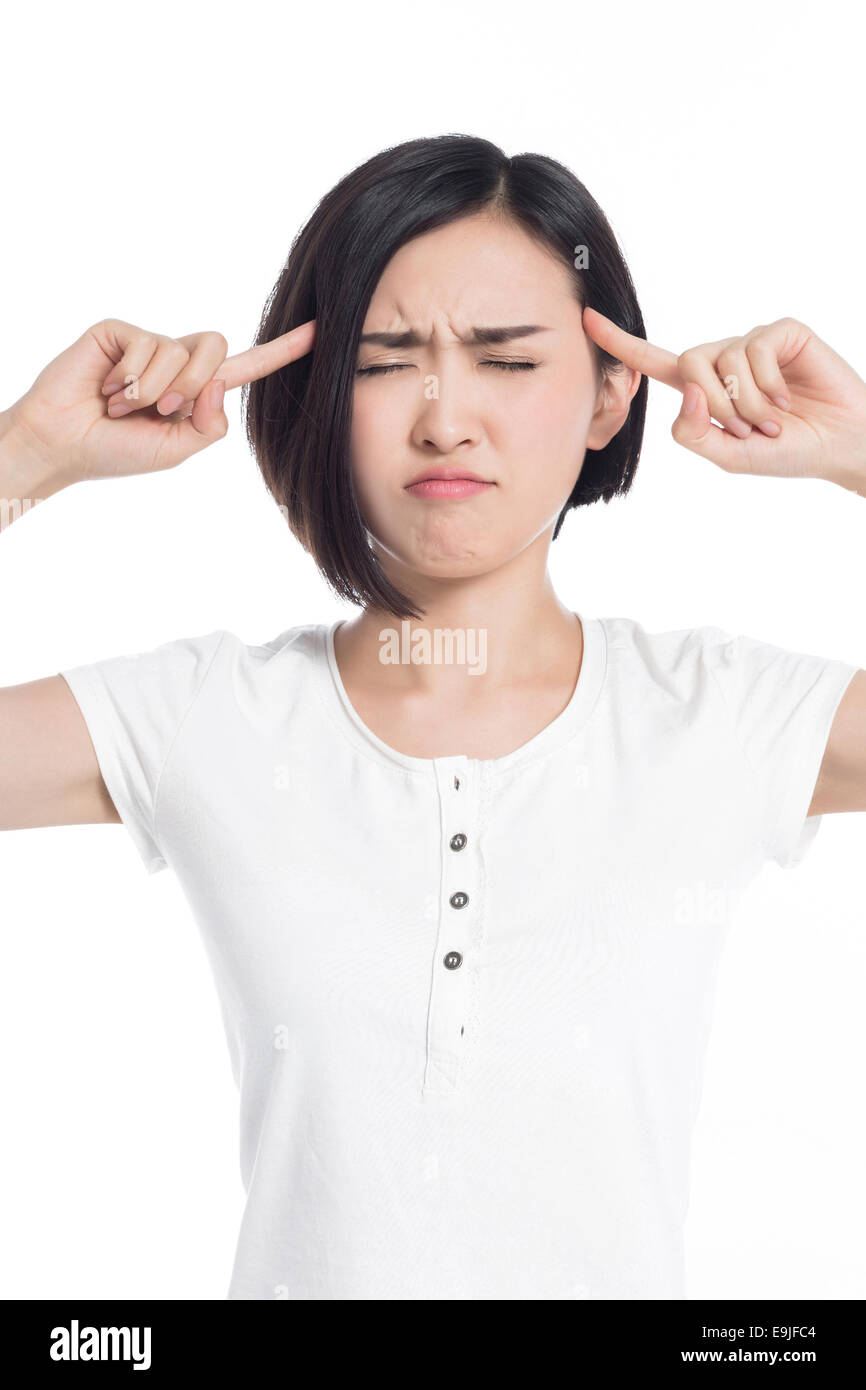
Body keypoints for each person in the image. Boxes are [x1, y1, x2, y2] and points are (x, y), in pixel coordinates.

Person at [1, 133, 864, 1301]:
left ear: (612, 394)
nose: (443, 417)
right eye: (380, 360)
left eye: (506, 360)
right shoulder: (201, 718)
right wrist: (31, 451)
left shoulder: (719, 718)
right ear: (309, 394)